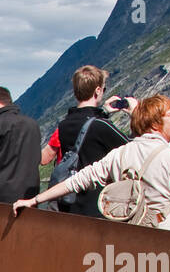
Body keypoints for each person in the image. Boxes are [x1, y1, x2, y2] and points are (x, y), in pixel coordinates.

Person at [12, 95, 170, 235]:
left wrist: (35, 200)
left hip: (126, 241)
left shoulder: (121, 154)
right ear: (155, 124)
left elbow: (77, 181)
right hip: (166, 243)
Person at [46, 65, 134, 217]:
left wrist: (103, 113)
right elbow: (134, 148)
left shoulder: (65, 124)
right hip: (96, 204)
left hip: (69, 201)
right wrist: (135, 116)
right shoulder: (101, 126)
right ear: (98, 91)